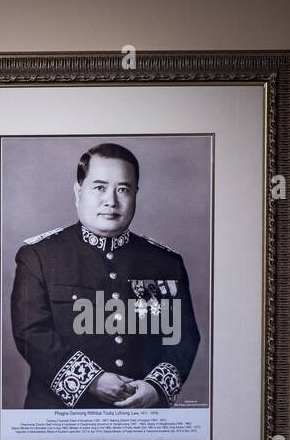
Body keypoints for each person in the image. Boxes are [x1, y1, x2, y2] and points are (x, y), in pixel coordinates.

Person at [10, 142, 200, 410]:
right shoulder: (39, 257)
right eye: (99, 188)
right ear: (78, 192)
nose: (111, 201)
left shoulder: (166, 263)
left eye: (123, 189)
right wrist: (92, 380)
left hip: (143, 415)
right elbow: (31, 333)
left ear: (136, 194)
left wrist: (155, 388)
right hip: (58, 417)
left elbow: (182, 338)